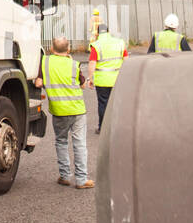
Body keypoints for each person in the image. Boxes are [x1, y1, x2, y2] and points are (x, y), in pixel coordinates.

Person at [35, 36, 94, 190]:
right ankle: (81, 180)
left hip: (59, 111)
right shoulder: (74, 64)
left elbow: (38, 83)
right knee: (79, 143)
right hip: (77, 110)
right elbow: (82, 85)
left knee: (61, 142)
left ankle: (65, 176)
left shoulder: (45, 62)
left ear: (52, 49)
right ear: (68, 50)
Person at [87, 27, 127, 133]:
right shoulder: (120, 43)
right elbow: (126, 60)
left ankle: (103, 129)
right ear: (109, 32)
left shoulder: (97, 45)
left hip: (102, 81)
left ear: (97, 33)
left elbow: (92, 63)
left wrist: (90, 78)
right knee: (116, 103)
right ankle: (118, 128)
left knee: (103, 104)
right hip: (118, 79)